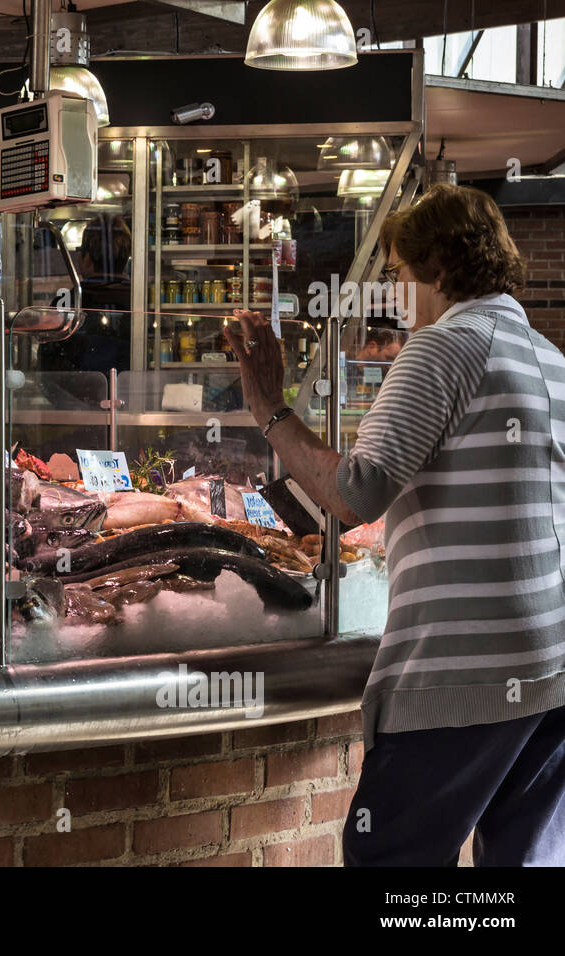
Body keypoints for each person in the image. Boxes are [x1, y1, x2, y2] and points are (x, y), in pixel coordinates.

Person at [223, 183, 565, 866]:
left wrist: (268, 404)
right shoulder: (550, 359)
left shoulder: (445, 347)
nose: (396, 292)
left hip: (465, 668)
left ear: (438, 268)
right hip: (552, 661)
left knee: (390, 858)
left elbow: (355, 493)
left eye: (400, 274)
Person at [38, 214, 133, 372]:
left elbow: (47, 368)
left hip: (73, 395)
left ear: (86, 259)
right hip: (131, 394)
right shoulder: (140, 300)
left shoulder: (67, 302)